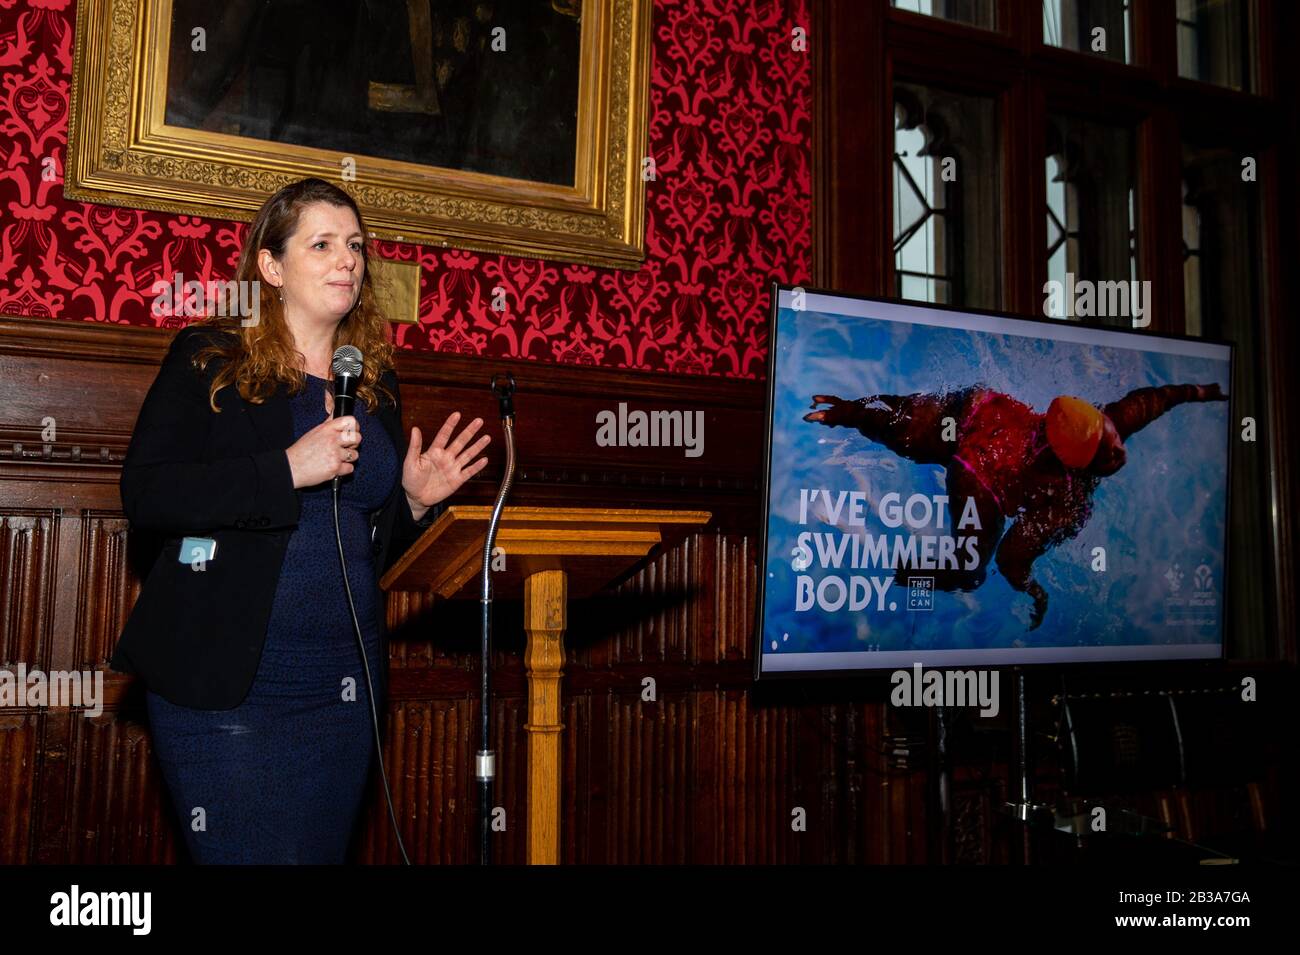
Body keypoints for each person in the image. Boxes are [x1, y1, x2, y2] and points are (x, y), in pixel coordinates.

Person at [110, 177, 490, 863]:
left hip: (342, 687)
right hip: (230, 687)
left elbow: (367, 552)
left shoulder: (372, 381)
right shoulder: (210, 358)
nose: (347, 259)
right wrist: (287, 467)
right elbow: (149, 492)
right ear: (271, 267)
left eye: (355, 245)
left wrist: (411, 501)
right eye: (322, 244)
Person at [804, 382, 1226, 630]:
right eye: (1109, 452)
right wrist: (1033, 590)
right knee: (968, 574)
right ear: (1080, 465)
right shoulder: (1065, 501)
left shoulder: (1097, 425)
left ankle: (843, 411)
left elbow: (1150, 401)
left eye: (1115, 438)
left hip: (982, 411)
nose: (1120, 450)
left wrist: (1200, 392)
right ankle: (896, 575)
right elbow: (1010, 559)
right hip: (980, 478)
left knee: (903, 424)